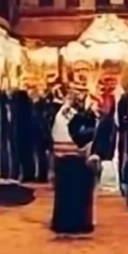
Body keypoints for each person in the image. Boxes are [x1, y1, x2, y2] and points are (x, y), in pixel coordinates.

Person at [50, 95, 99, 235]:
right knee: (78, 195)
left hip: (62, 157)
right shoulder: (76, 115)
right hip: (76, 158)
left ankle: (63, 223)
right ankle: (78, 223)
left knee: (64, 196)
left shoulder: (61, 114)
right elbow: (83, 137)